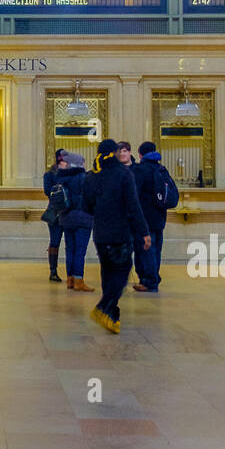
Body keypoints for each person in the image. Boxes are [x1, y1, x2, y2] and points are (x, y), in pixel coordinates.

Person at [83, 138, 149, 334]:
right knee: (122, 271)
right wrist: (144, 232)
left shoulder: (91, 176)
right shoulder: (123, 174)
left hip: (101, 232)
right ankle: (104, 307)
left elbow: (86, 207)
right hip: (120, 232)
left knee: (108, 271)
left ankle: (111, 316)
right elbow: (133, 207)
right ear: (115, 152)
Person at [131, 141, 178, 293]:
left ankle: (149, 281)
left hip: (144, 218)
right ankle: (153, 278)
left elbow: (134, 194)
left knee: (146, 249)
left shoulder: (140, 170)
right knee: (156, 249)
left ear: (140, 154)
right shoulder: (162, 169)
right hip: (159, 216)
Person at [56, 152, 94, 292]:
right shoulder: (84, 178)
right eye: (82, 162)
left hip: (66, 218)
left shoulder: (62, 178)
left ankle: (70, 280)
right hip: (83, 218)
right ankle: (79, 280)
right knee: (80, 251)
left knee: (70, 249)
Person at [42, 148, 68, 281]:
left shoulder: (71, 174)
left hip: (68, 213)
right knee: (55, 241)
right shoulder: (50, 175)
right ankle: (53, 270)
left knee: (70, 243)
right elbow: (48, 191)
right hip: (55, 213)